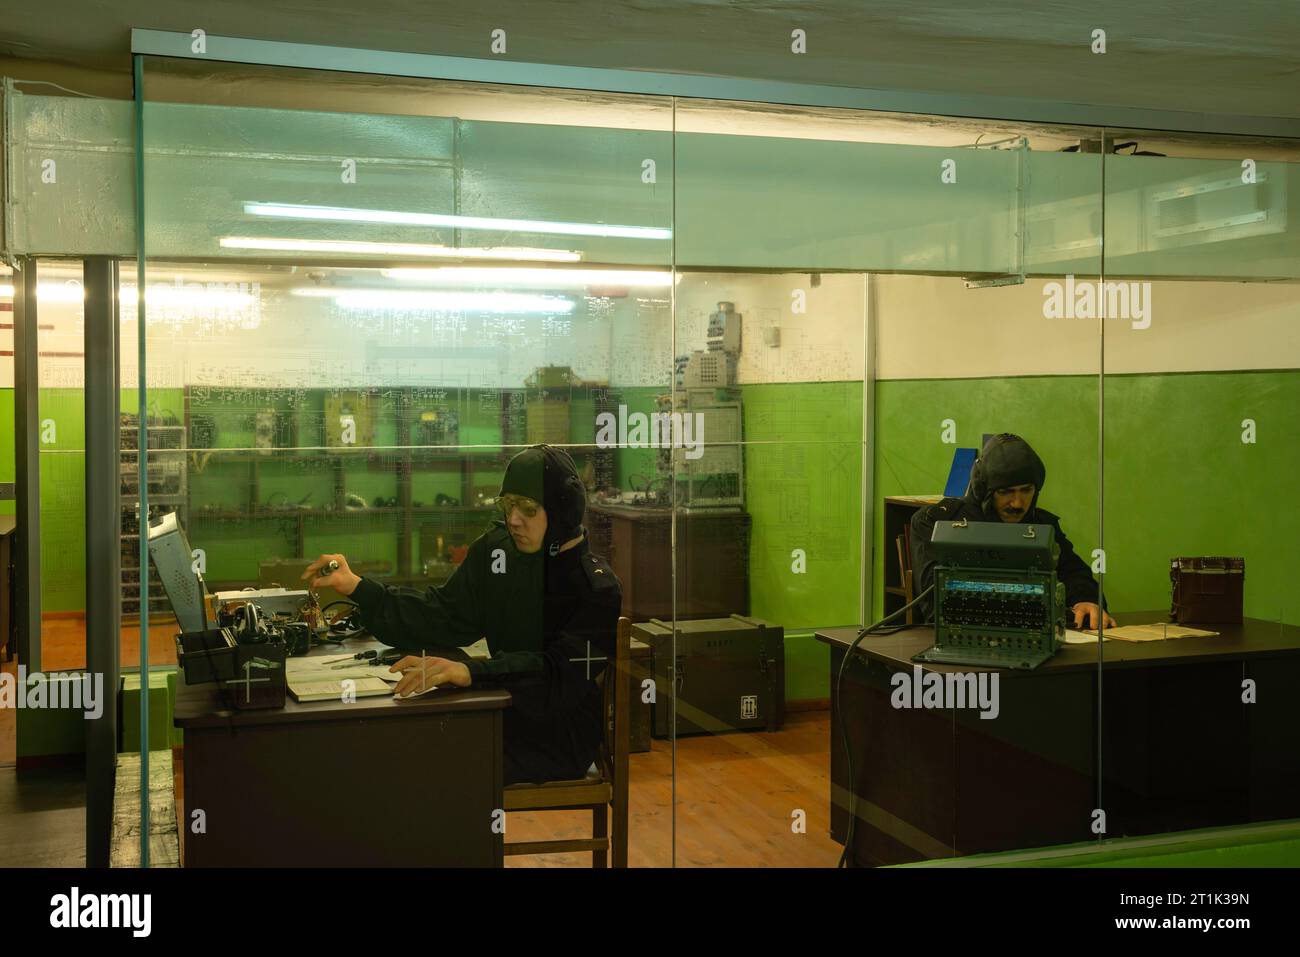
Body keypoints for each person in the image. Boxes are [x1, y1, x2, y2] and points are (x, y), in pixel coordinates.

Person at [303, 444, 622, 785]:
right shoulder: (499, 552)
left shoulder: (595, 590)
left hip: (556, 737)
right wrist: (358, 587)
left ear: (562, 510)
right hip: (499, 710)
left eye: (527, 508)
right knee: (394, 742)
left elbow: (557, 678)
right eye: (508, 505)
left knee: (426, 764)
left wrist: (472, 672)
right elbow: (442, 615)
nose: (513, 519)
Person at [910, 433, 1117, 630]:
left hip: (1034, 635)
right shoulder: (938, 522)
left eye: (1026, 490)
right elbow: (934, 603)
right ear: (984, 491)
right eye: (1006, 492)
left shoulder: (1041, 525)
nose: (1018, 503)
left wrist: (1086, 600)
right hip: (953, 637)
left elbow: (1073, 572)